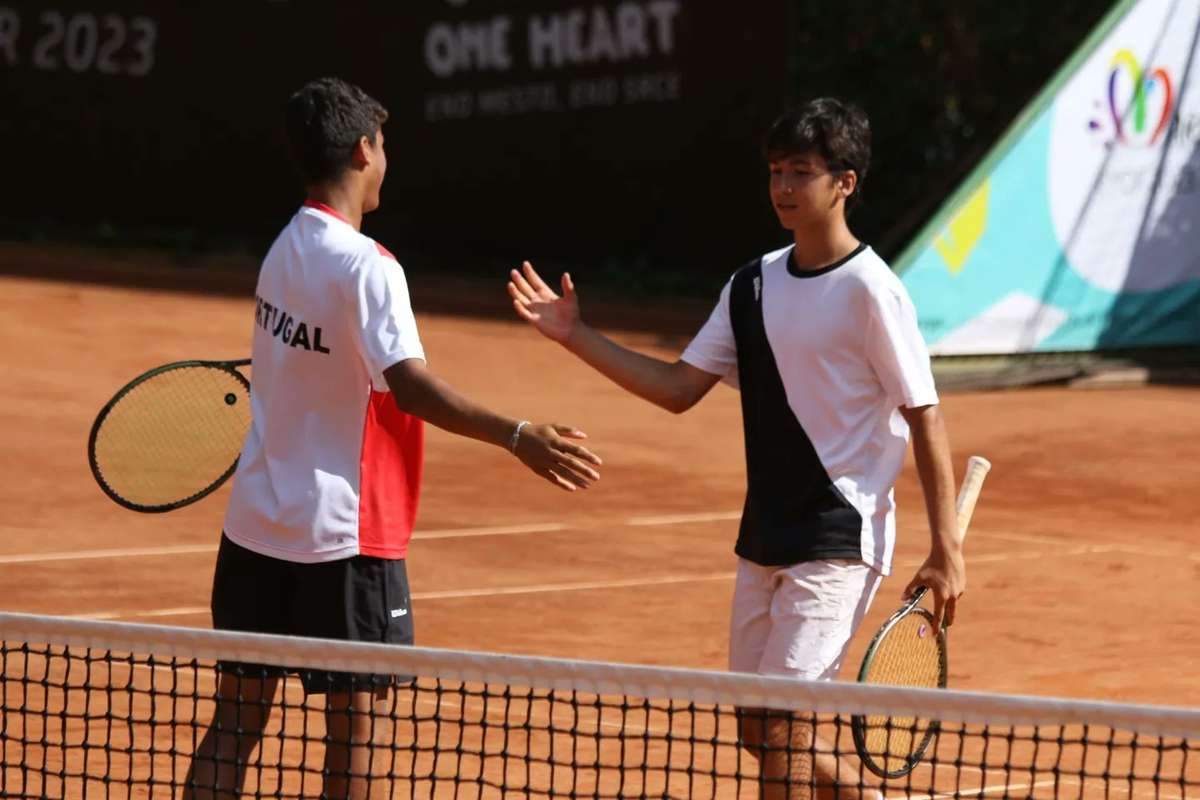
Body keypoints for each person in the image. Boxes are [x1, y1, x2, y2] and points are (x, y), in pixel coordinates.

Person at [507, 97, 964, 799]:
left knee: (784, 726)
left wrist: (946, 552)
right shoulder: (750, 284)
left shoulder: (873, 291)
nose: (783, 187)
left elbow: (924, 415)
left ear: (844, 181)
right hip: (765, 535)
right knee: (758, 726)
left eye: (801, 172)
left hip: (840, 536)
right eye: (776, 171)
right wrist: (576, 334)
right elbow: (677, 386)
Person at [183, 77, 603, 800]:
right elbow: (408, 385)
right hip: (348, 538)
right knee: (358, 733)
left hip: (256, 528)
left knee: (236, 722)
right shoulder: (368, 267)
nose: (388, 158)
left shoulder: (284, 247)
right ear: (362, 150)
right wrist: (518, 434)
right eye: (385, 145)